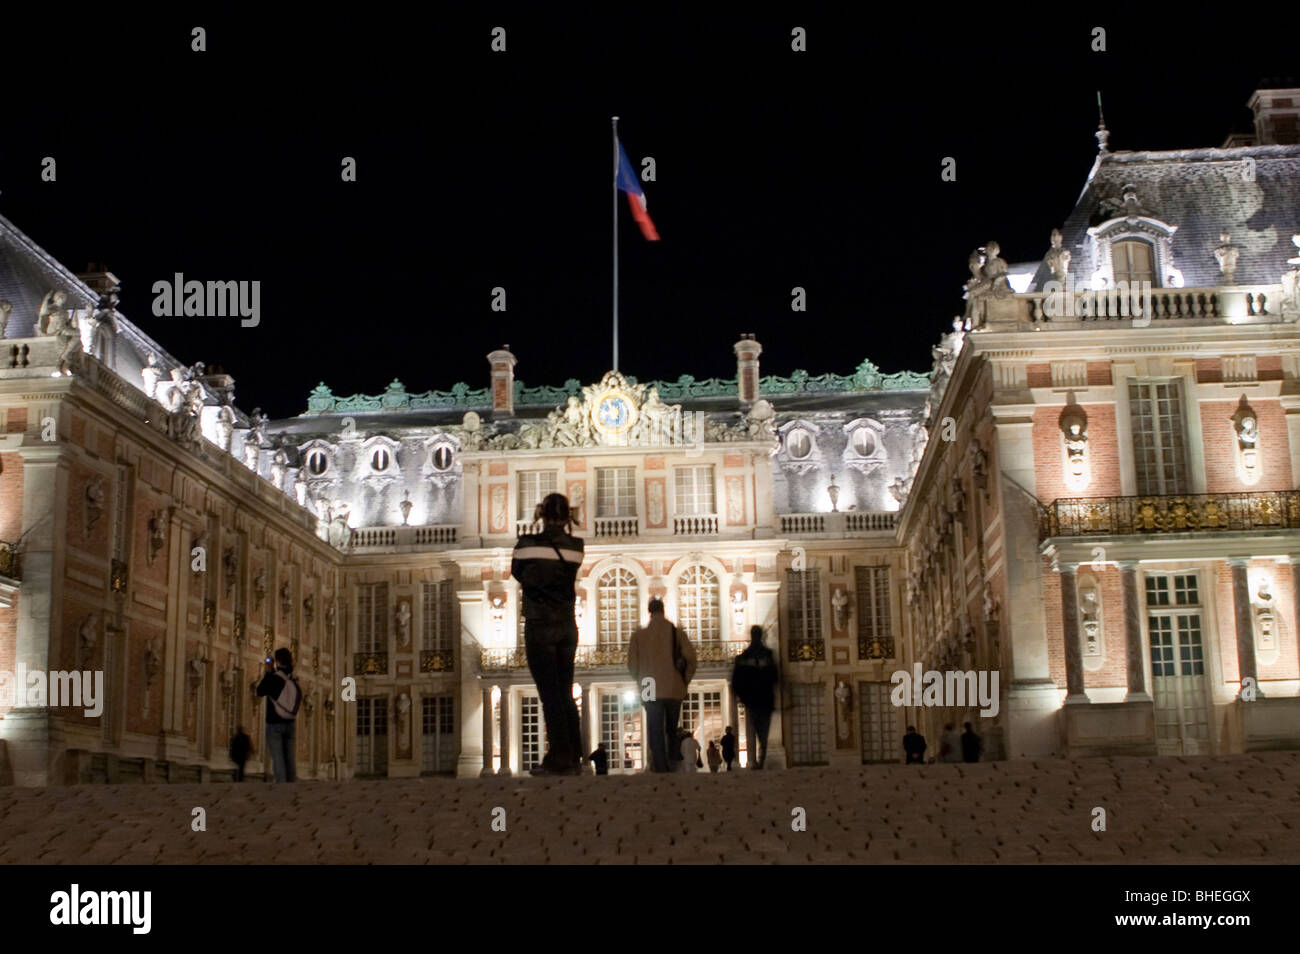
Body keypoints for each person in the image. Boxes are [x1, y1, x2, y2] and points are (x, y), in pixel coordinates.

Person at [511, 493, 585, 776]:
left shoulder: (527, 545)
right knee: (564, 691)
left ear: (540, 513)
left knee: (549, 693)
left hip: (540, 625)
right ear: (568, 515)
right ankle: (575, 754)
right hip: (567, 626)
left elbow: (517, 572)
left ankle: (559, 757)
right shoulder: (577, 547)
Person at [627, 597, 697, 773]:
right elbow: (691, 659)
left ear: (649, 612)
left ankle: (660, 764)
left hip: (649, 683)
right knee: (671, 727)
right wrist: (684, 679)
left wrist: (640, 680)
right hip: (673, 683)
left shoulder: (639, 636)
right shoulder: (677, 633)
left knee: (654, 727)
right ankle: (673, 758)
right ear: (663, 610)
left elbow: (632, 665)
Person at [730, 625, 777, 769]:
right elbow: (775, 676)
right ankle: (759, 759)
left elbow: (736, 680)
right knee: (763, 731)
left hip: (751, 699)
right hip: (765, 699)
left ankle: (755, 760)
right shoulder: (767, 655)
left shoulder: (743, 657)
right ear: (761, 635)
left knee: (754, 729)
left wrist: (741, 695)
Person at [256, 648, 301, 783]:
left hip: (274, 723)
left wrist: (268, 673)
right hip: (290, 722)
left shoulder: (274, 678)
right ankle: (291, 782)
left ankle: (282, 785)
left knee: (278, 756)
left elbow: (260, 691)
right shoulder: (292, 677)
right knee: (289, 756)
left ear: (277, 661)